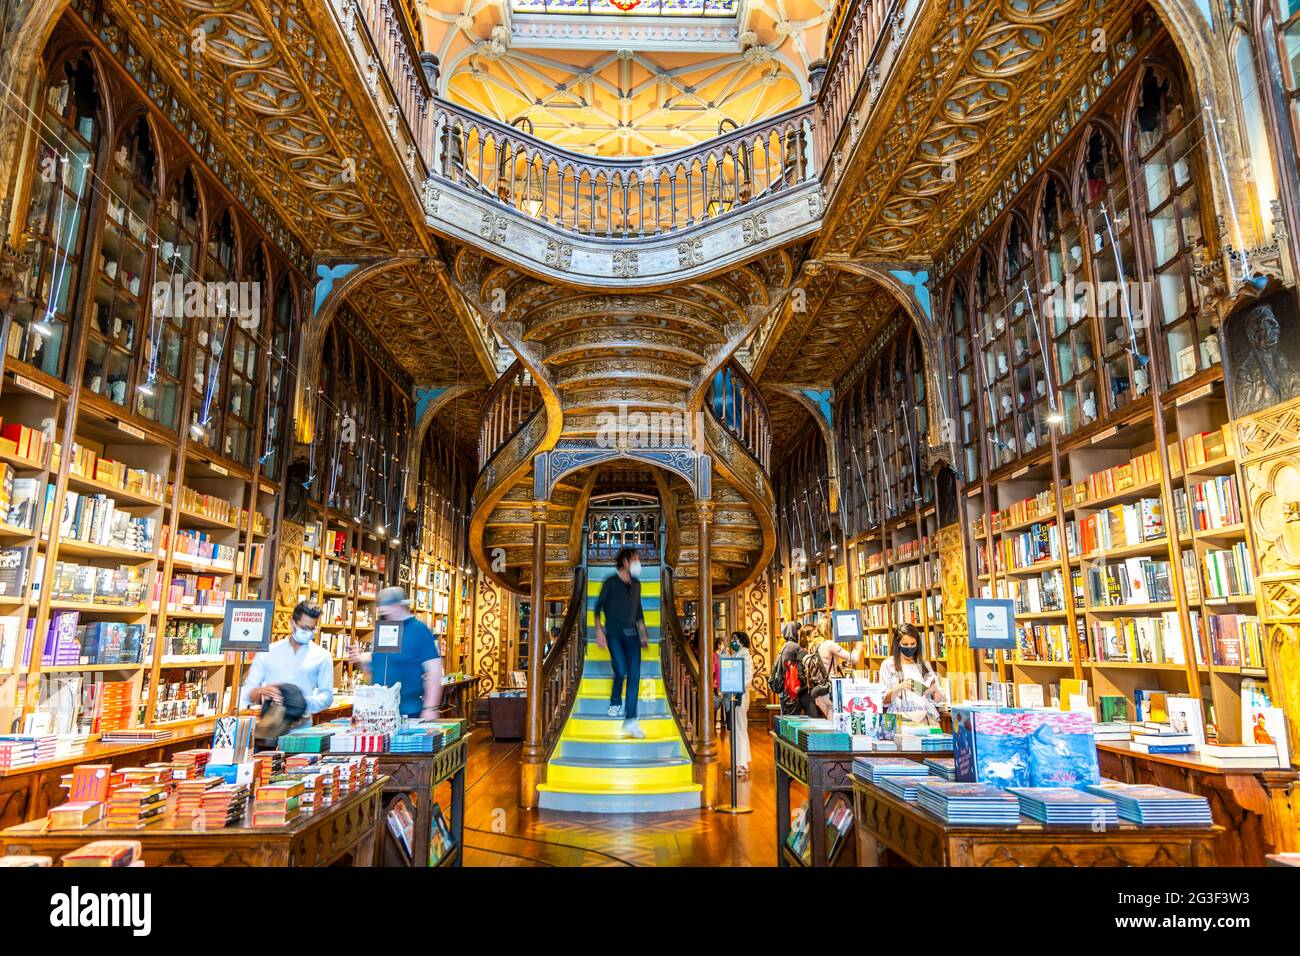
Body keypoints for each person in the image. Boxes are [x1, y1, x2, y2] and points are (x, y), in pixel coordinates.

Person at [350, 587, 444, 719]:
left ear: (400, 604)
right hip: (377, 710)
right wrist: (359, 660)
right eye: (380, 605)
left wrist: (431, 707)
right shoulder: (383, 629)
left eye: (387, 604)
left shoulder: (420, 631)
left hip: (408, 711)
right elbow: (373, 668)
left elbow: (434, 672)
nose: (382, 609)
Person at [240, 602, 334, 730]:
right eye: (304, 628)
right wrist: (261, 691)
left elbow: (327, 696)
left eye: (312, 629)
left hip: (302, 730)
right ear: (292, 623)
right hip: (269, 729)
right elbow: (247, 693)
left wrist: (301, 704)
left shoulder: (322, 656)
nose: (309, 633)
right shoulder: (268, 652)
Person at [593, 547, 650, 739]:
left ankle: (631, 719)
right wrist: (599, 631)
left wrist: (643, 633)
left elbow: (639, 609)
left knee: (634, 675)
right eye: (635, 559)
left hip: (633, 635)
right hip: (614, 634)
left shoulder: (637, 584)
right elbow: (597, 607)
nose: (638, 563)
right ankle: (615, 701)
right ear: (625, 562)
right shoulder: (610, 583)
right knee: (621, 670)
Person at [879, 623, 945, 724]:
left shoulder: (924, 665)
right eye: (905, 644)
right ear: (898, 644)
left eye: (913, 644)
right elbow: (884, 701)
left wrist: (933, 690)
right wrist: (900, 687)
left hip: (925, 718)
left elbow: (939, 699)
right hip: (899, 719)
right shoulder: (888, 665)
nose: (909, 647)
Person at [808, 616, 854, 719]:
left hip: (820, 687)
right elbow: (854, 658)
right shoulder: (829, 644)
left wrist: (841, 666)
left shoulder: (815, 644)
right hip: (830, 689)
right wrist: (860, 645)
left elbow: (825, 666)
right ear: (830, 629)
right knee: (834, 721)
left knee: (830, 720)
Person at [724, 631, 754, 776]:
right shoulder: (738, 654)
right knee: (739, 729)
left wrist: (737, 687)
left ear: (741, 641)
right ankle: (742, 762)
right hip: (735, 695)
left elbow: (748, 678)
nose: (732, 642)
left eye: (734, 639)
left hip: (740, 696)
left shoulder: (745, 655)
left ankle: (741, 764)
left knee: (740, 729)